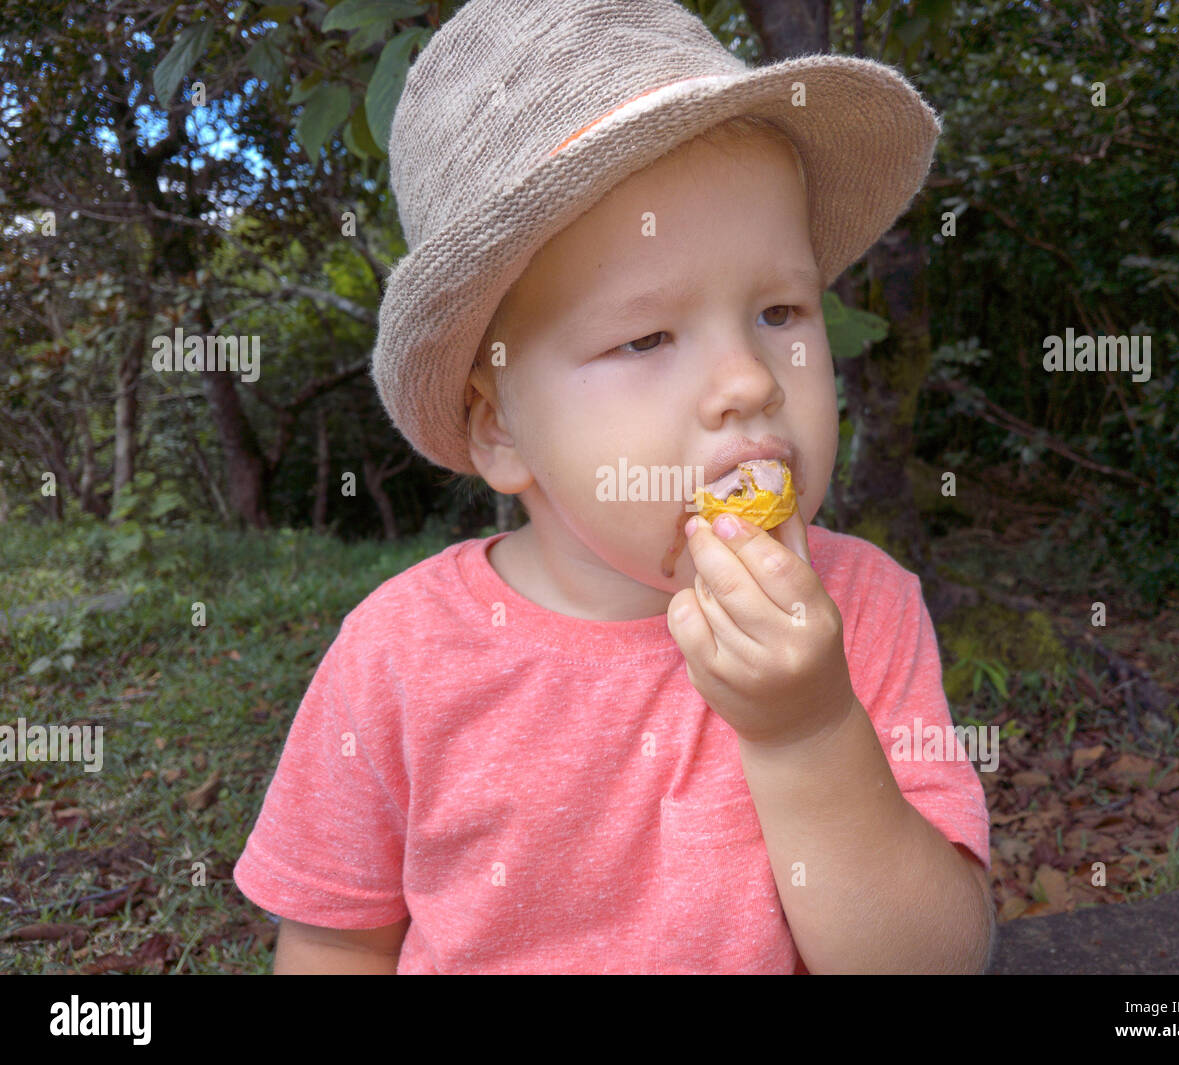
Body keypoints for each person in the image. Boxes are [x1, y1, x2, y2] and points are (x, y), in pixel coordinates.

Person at [233, 0, 993, 974]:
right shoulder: (398, 660)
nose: (750, 382)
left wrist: (808, 735)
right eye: (644, 338)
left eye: (778, 310)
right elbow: (335, 946)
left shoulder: (865, 613)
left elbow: (936, 962)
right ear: (499, 426)